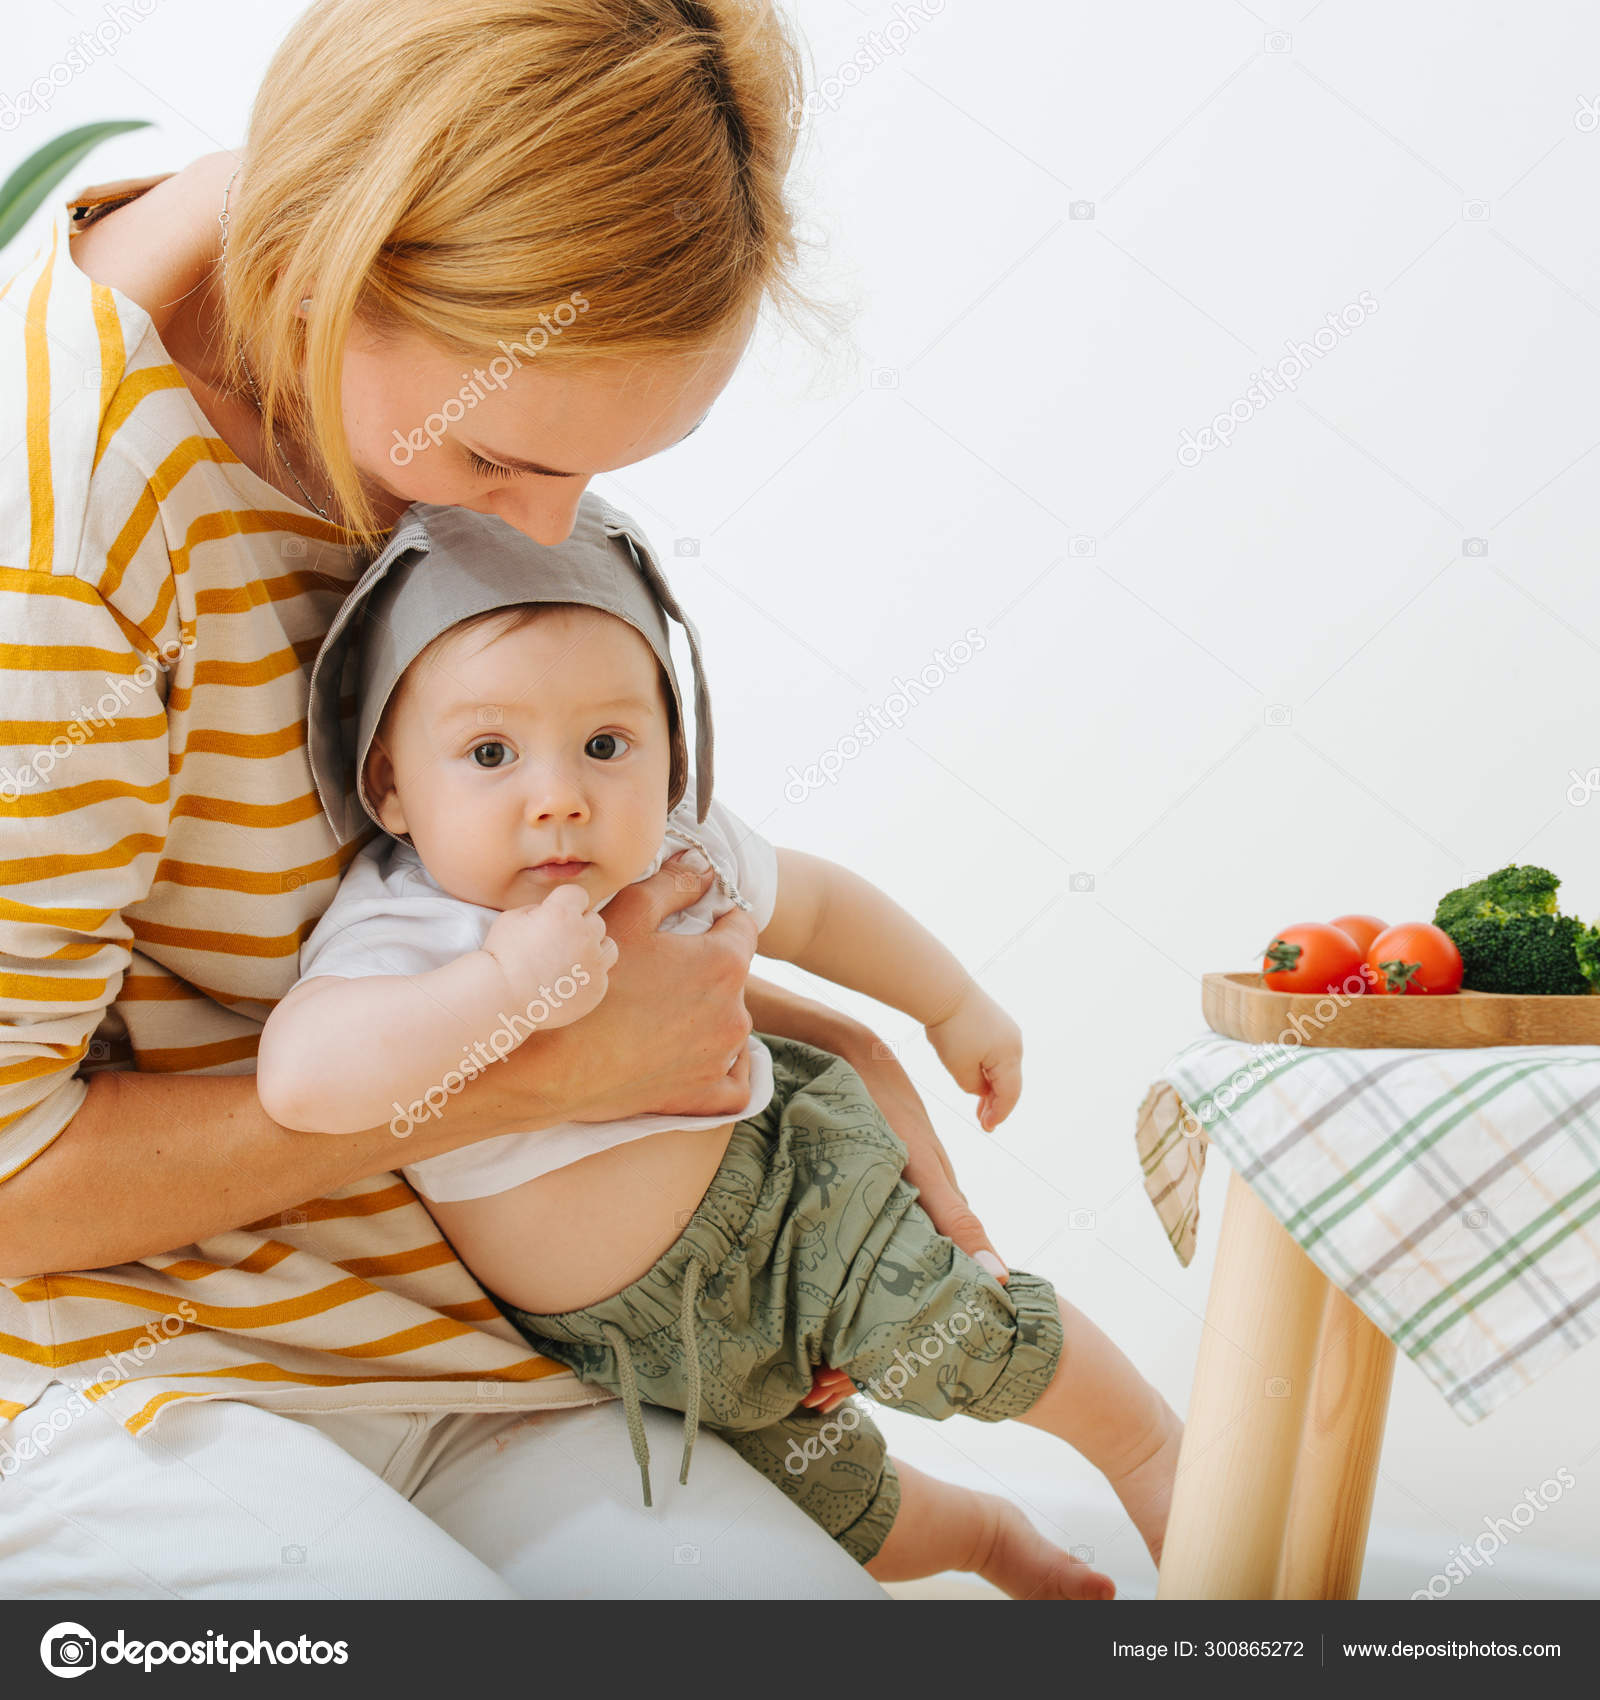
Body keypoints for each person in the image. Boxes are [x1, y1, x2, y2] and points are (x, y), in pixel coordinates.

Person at [0, 0, 1033, 1600]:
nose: (544, 529)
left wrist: (799, 1040)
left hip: (470, 1338)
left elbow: (413, 925)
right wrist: (534, 1079)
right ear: (331, 255)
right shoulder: (54, 539)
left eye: (591, 473)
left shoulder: (332, 310)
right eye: (495, 458)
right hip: (113, 1379)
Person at [255, 496, 1184, 1598]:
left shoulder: (681, 856)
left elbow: (826, 911)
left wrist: (953, 1005)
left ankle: (1154, 1454)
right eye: (490, 751)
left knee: (978, 1344)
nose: (558, 798)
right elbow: (302, 1079)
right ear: (390, 787)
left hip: (790, 1208)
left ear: (673, 754)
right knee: (837, 1506)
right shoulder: (404, 927)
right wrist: (497, 986)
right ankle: (985, 1538)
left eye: (607, 744)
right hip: (624, 1350)